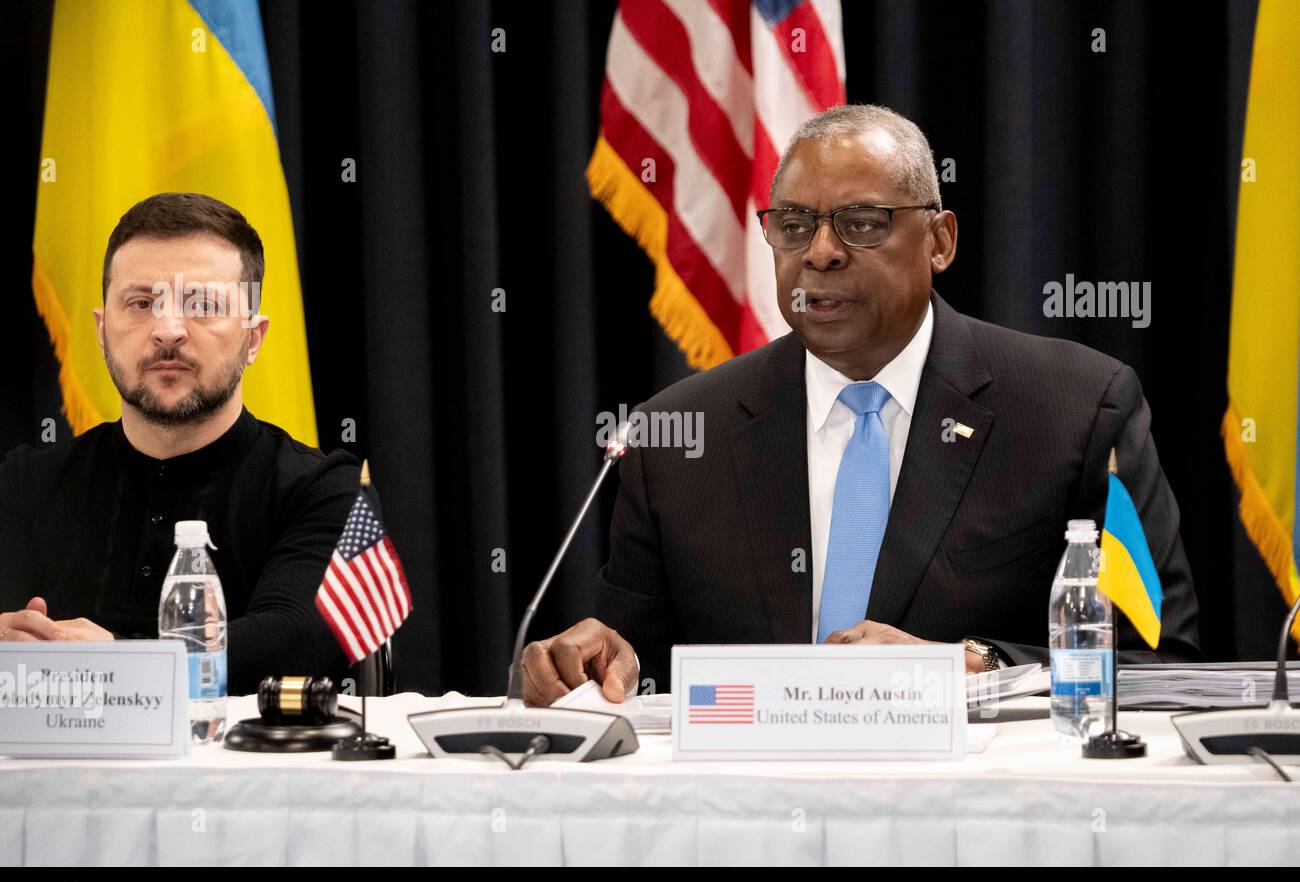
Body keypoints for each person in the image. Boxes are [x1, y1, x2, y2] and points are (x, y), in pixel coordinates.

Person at [522, 104, 1200, 706]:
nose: (820, 253)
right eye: (792, 225)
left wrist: (973, 667)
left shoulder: (1075, 410)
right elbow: (634, 667)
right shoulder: (678, 436)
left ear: (940, 241)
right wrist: (599, 665)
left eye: (862, 223)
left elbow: (1164, 665)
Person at [0, 192, 359, 694]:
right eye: (142, 303)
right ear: (103, 331)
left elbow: (297, 640)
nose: (168, 331)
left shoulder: (324, 488)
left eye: (204, 305)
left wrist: (119, 661)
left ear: (253, 338)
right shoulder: (24, 482)